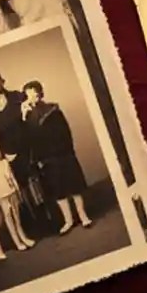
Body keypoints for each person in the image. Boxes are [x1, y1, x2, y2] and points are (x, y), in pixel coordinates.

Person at [0, 69, 50, 234]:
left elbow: (30, 114)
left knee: (37, 183)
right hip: (9, 152)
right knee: (21, 189)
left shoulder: (17, 97)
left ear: (2, 82)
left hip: (27, 146)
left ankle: (50, 220)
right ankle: (34, 226)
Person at [22, 80, 92, 233]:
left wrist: (68, 151)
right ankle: (68, 220)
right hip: (46, 159)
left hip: (63, 154)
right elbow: (29, 140)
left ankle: (83, 216)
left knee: (74, 187)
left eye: (33, 93)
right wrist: (24, 117)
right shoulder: (28, 118)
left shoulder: (53, 110)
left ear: (40, 93)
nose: (31, 97)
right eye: (27, 94)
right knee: (58, 191)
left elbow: (66, 132)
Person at [0, 133, 36, 252]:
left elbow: (11, 176)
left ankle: (23, 237)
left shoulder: (3, 162)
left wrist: (17, 188)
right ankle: (17, 241)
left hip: (11, 192)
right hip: (1, 195)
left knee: (17, 215)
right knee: (8, 217)